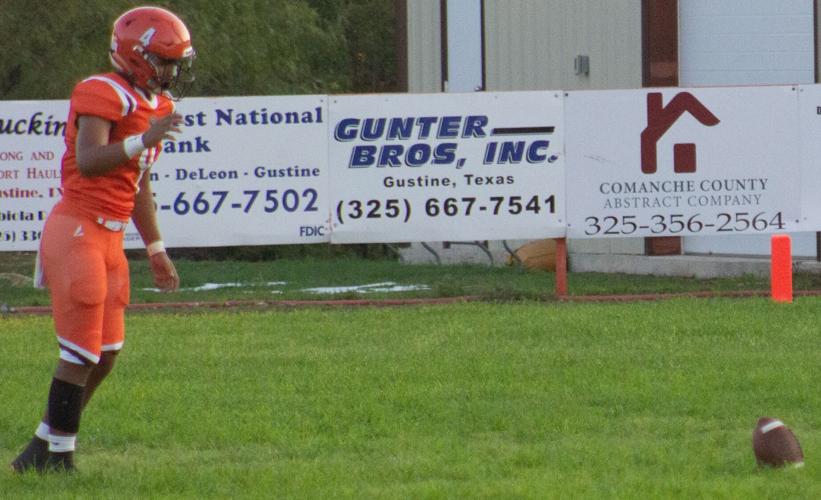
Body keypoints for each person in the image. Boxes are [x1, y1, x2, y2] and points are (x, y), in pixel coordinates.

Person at [11, 6, 195, 473]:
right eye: (164, 60)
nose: (172, 71)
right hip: (77, 228)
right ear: (138, 56)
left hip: (110, 238)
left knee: (107, 354)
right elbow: (91, 159)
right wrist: (142, 139)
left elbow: (138, 182)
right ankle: (59, 459)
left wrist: (155, 248)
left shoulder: (158, 105)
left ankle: (41, 446)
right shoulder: (100, 90)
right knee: (79, 353)